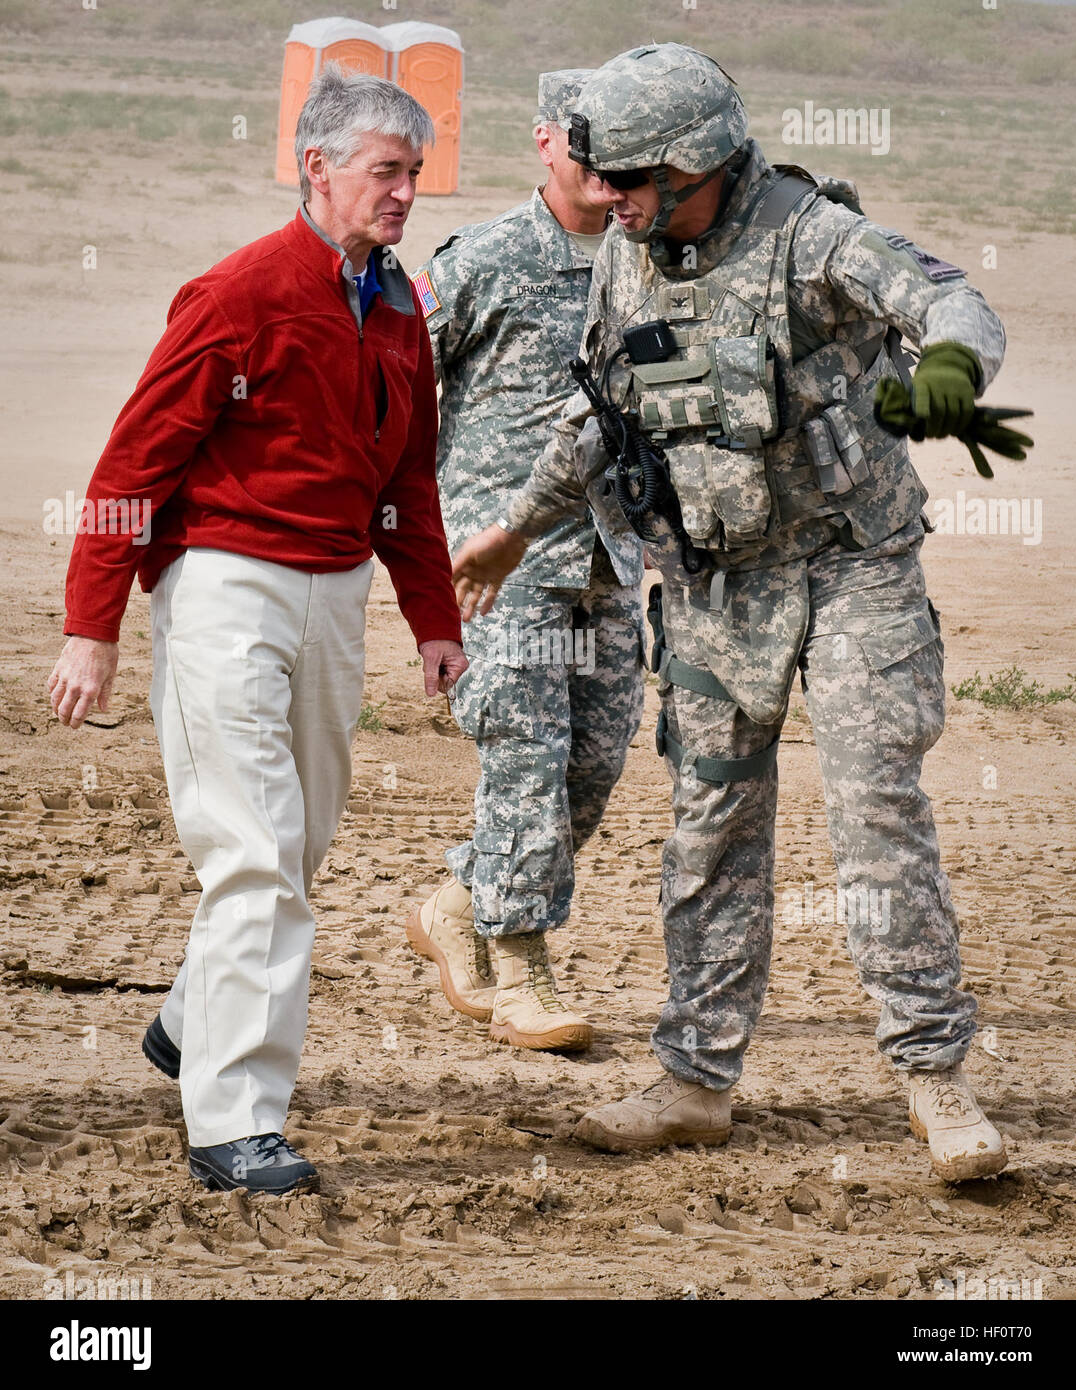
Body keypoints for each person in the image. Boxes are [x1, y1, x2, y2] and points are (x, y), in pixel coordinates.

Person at [452, 43, 1018, 1182]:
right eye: (601, 178)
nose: (607, 200)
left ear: (695, 160)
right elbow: (602, 414)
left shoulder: (809, 234)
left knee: (873, 811)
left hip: (851, 568)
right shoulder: (627, 255)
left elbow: (948, 295)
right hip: (714, 581)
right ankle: (694, 1078)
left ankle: (933, 1081)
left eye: (628, 179)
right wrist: (516, 522)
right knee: (708, 830)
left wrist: (950, 366)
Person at [48, 67, 467, 1196]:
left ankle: (193, 1018)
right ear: (315, 166)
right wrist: (93, 624)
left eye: (415, 174)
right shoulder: (234, 294)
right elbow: (132, 467)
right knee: (254, 850)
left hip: (335, 594)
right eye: (388, 171)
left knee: (299, 842)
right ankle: (234, 1118)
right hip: (226, 585)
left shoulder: (397, 306)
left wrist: (432, 616)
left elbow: (410, 478)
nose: (406, 193)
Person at [403, 71, 644, 1052]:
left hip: (610, 559)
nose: (599, 163)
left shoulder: (655, 264)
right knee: (526, 763)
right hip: (495, 562)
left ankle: (460, 901)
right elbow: (395, 378)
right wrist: (410, 535)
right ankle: (519, 973)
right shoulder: (484, 258)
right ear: (543, 141)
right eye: (581, 142)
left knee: (591, 768)